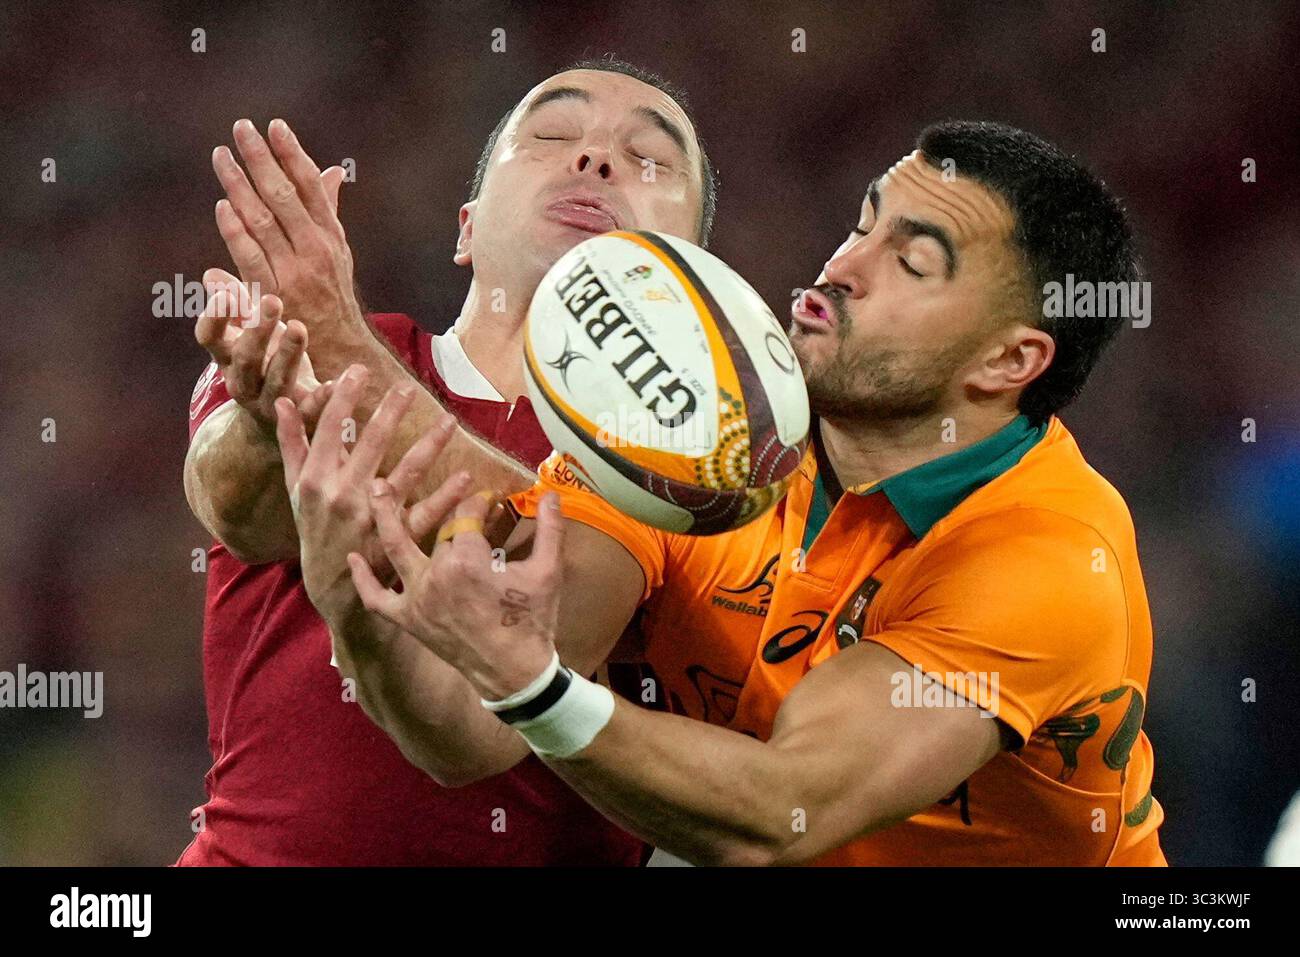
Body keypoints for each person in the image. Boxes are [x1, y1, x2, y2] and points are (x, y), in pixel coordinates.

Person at [301, 120, 1167, 865]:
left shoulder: (1047, 559)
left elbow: (781, 814)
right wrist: (350, 603)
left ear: (1009, 362)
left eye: (909, 262)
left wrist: (533, 684)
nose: (844, 266)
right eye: (861, 225)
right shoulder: (696, 436)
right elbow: (465, 732)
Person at [179, 58, 716, 865]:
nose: (595, 159)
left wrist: (340, 348)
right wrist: (271, 410)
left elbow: (544, 588)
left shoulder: (699, 465)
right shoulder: (311, 339)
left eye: (649, 160)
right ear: (466, 227)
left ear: (701, 280)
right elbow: (236, 512)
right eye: (552, 135)